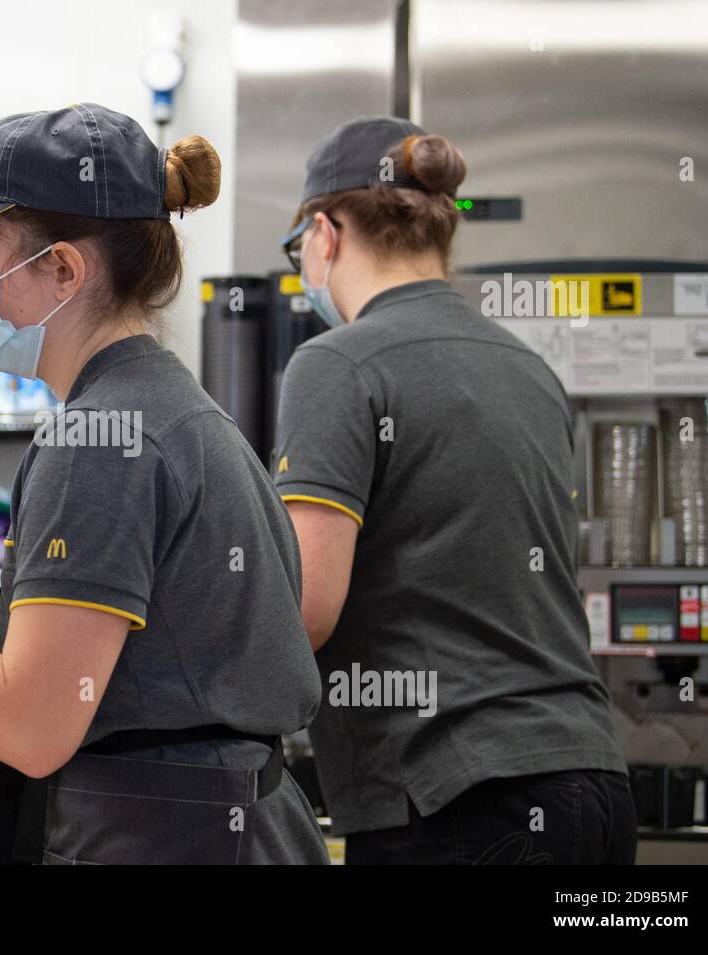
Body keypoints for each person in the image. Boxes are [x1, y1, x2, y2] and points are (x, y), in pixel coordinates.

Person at [0, 104, 329, 864]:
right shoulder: (181, 417)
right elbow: (94, 697)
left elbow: (33, 725)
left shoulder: (97, 441)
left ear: (62, 268)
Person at [274, 117, 634, 864]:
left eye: (299, 247)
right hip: (592, 785)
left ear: (325, 232)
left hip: (457, 802)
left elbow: (304, 606)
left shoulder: (336, 363)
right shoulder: (529, 369)